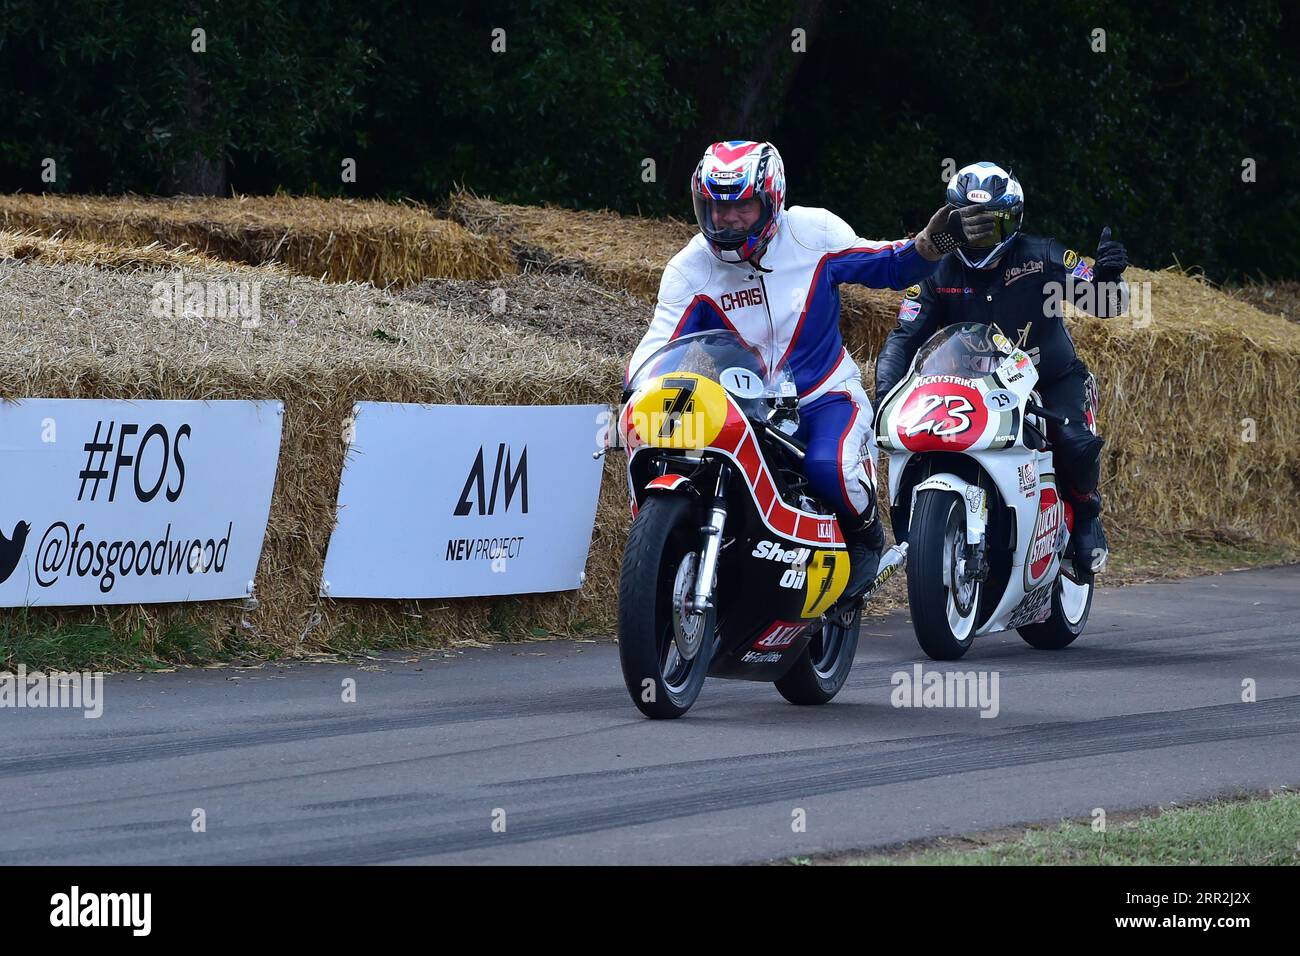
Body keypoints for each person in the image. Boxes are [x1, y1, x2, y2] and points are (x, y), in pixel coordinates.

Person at [625, 140, 994, 605]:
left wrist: (929, 246)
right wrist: (639, 389)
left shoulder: (813, 233)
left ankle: (865, 541)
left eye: (742, 205)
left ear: (772, 201)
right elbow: (656, 345)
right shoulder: (688, 269)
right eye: (716, 207)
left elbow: (889, 267)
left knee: (828, 467)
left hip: (825, 397)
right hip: (743, 408)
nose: (728, 219)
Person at [873, 161, 1129, 575]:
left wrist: (1110, 280)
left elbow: (1107, 306)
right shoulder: (935, 269)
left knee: (1072, 439)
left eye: (989, 224)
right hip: (965, 384)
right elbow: (903, 335)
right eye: (968, 222)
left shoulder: (1043, 256)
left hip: (1048, 379)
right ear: (950, 219)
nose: (977, 236)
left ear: (1012, 222)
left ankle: (1086, 515)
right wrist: (884, 394)